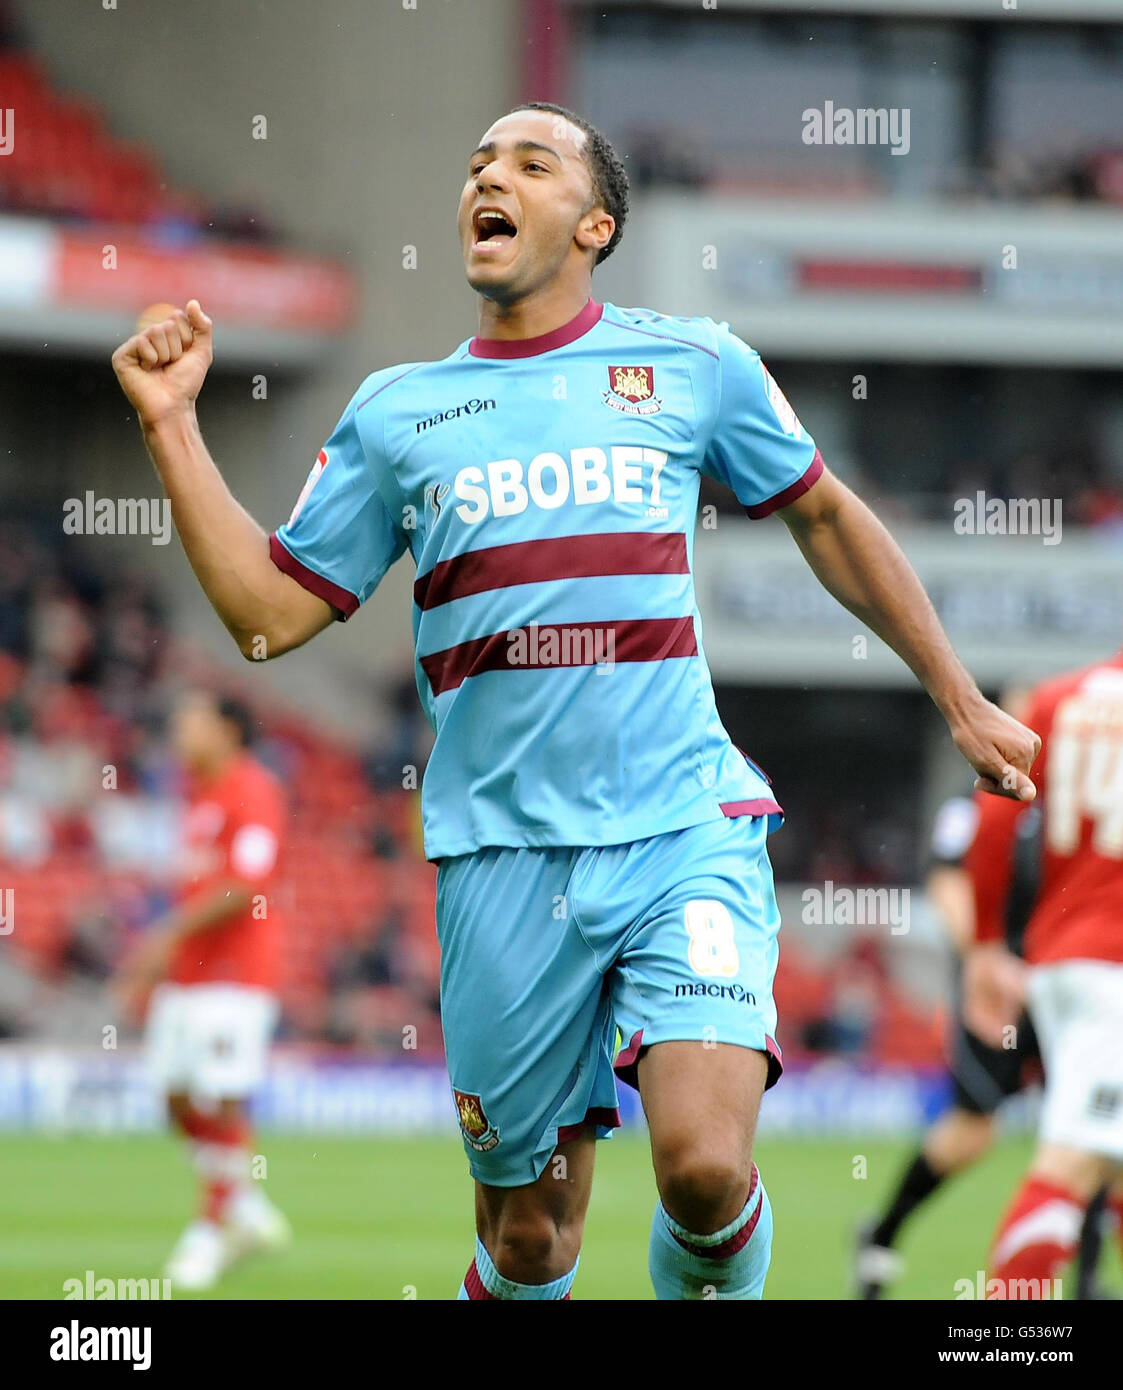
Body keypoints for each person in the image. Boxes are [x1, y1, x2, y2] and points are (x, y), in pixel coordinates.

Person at [111, 102, 1038, 1301]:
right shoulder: (399, 414)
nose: (486, 178)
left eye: (528, 164)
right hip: (501, 861)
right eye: (477, 162)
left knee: (705, 1170)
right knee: (530, 1240)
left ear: (594, 223)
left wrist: (957, 700)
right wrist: (174, 426)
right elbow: (264, 613)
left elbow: (823, 515)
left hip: (681, 829)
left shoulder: (691, 365)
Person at [115, 690, 289, 1291]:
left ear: (227, 730)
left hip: (235, 980)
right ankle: (239, 1201)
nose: (179, 727)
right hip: (189, 977)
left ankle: (211, 1228)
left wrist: (163, 934)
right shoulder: (197, 796)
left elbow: (246, 883)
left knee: (221, 1099)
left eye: (192, 718)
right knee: (174, 1097)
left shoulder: (253, 788)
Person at [964, 651, 1123, 1298]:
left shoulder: (1059, 698)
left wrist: (983, 945)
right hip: (1111, 973)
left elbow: (996, 817)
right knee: (1071, 1163)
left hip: (1062, 959)